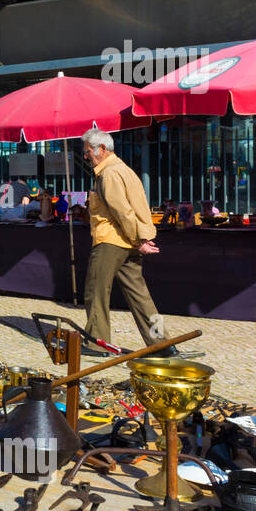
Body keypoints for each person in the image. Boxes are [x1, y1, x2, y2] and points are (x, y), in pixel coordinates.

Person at [81, 128, 175, 355]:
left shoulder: (108, 174)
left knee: (96, 291)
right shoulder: (124, 170)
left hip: (111, 241)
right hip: (128, 240)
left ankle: (97, 343)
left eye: (87, 152)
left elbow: (122, 212)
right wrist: (139, 239)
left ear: (101, 149)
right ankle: (162, 344)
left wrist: (138, 240)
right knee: (140, 295)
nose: (85, 156)